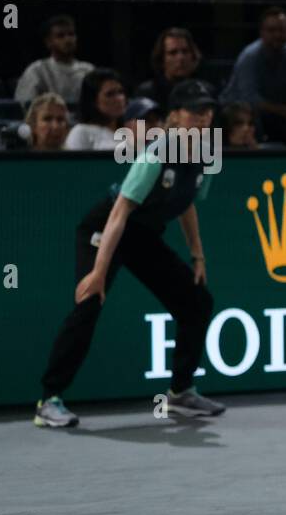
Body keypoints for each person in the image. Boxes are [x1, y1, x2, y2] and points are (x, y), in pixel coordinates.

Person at [33, 79, 225, 429]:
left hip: (141, 234)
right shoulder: (156, 153)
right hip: (105, 227)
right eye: (196, 111)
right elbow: (119, 212)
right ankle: (49, 400)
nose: (204, 117)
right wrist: (99, 273)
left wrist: (198, 255)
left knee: (197, 301)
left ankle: (180, 393)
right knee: (90, 302)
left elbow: (187, 204)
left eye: (208, 110)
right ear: (176, 117)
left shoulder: (207, 153)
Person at [220, 5, 286, 144]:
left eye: (282, 30)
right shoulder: (249, 57)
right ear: (261, 32)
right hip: (237, 109)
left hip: (277, 112)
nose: (277, 35)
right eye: (272, 30)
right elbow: (249, 98)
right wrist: (283, 110)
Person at [13, 15, 95, 110]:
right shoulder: (37, 70)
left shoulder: (89, 70)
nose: (68, 40)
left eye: (71, 34)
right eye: (60, 36)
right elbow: (26, 105)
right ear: (49, 42)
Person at [135, 28, 210, 113]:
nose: (181, 58)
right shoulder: (147, 93)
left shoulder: (206, 91)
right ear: (162, 59)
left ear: (193, 56)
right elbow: (140, 125)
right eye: (173, 53)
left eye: (185, 51)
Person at [64, 69, 127, 151]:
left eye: (120, 92)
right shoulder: (81, 132)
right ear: (93, 101)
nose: (119, 99)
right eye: (110, 94)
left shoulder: (130, 131)